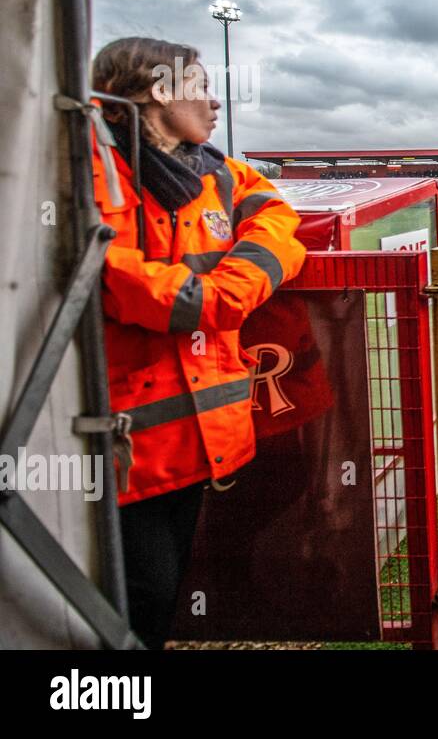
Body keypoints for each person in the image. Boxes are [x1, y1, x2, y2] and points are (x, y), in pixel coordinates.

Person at [89, 37, 306, 647]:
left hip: (191, 437)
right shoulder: (86, 167)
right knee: (132, 601)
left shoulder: (215, 170)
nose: (215, 102)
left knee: (157, 598)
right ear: (159, 91)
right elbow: (105, 271)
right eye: (201, 86)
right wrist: (204, 304)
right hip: (116, 445)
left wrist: (229, 291)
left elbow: (280, 221)